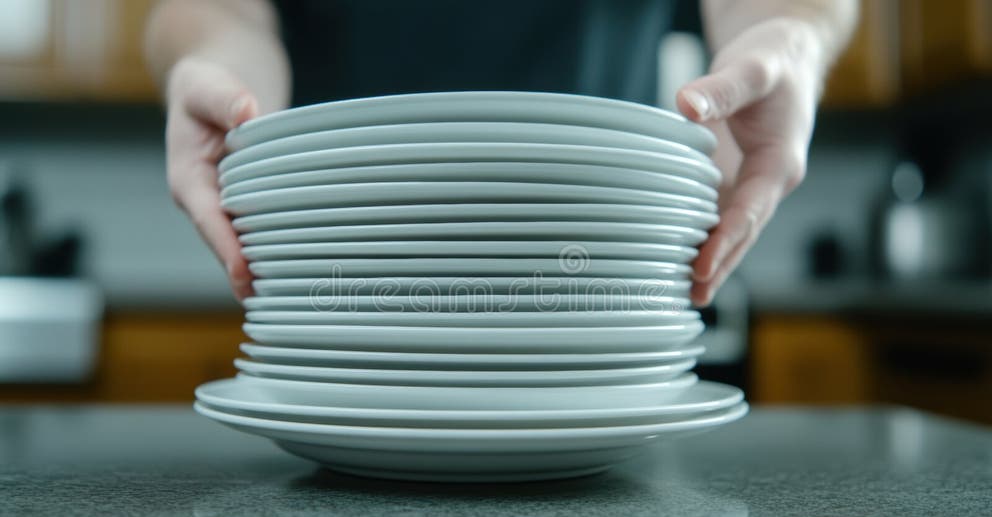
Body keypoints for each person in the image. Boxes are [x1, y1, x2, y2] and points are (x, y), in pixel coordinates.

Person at [145, 0, 857, 305]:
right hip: (353, 318)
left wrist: (790, 35)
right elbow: (217, 11)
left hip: (593, 317)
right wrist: (220, 70)